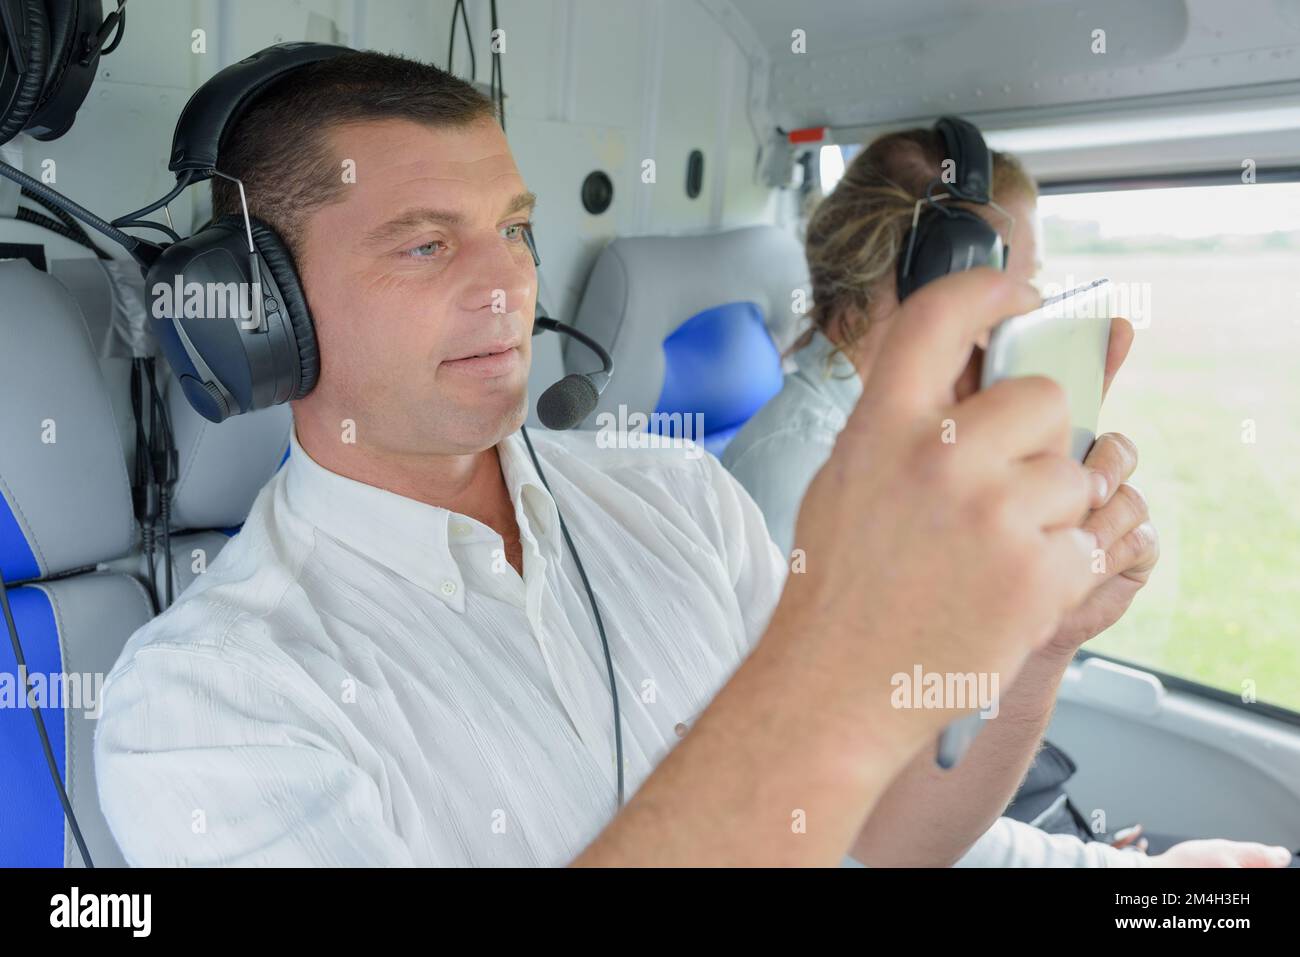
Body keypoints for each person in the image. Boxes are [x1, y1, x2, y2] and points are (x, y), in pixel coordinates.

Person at [94, 52, 1291, 868]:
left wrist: (1034, 645)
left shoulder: (676, 497)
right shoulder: (204, 704)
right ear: (256, 311)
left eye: (515, 230)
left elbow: (893, 836)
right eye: (424, 246)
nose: (509, 283)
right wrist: (837, 657)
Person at [722, 129, 1289, 867]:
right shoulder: (796, 473)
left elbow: (917, 793)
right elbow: (852, 836)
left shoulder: (914, 452)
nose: (1031, 309)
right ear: (941, 272)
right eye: (1017, 280)